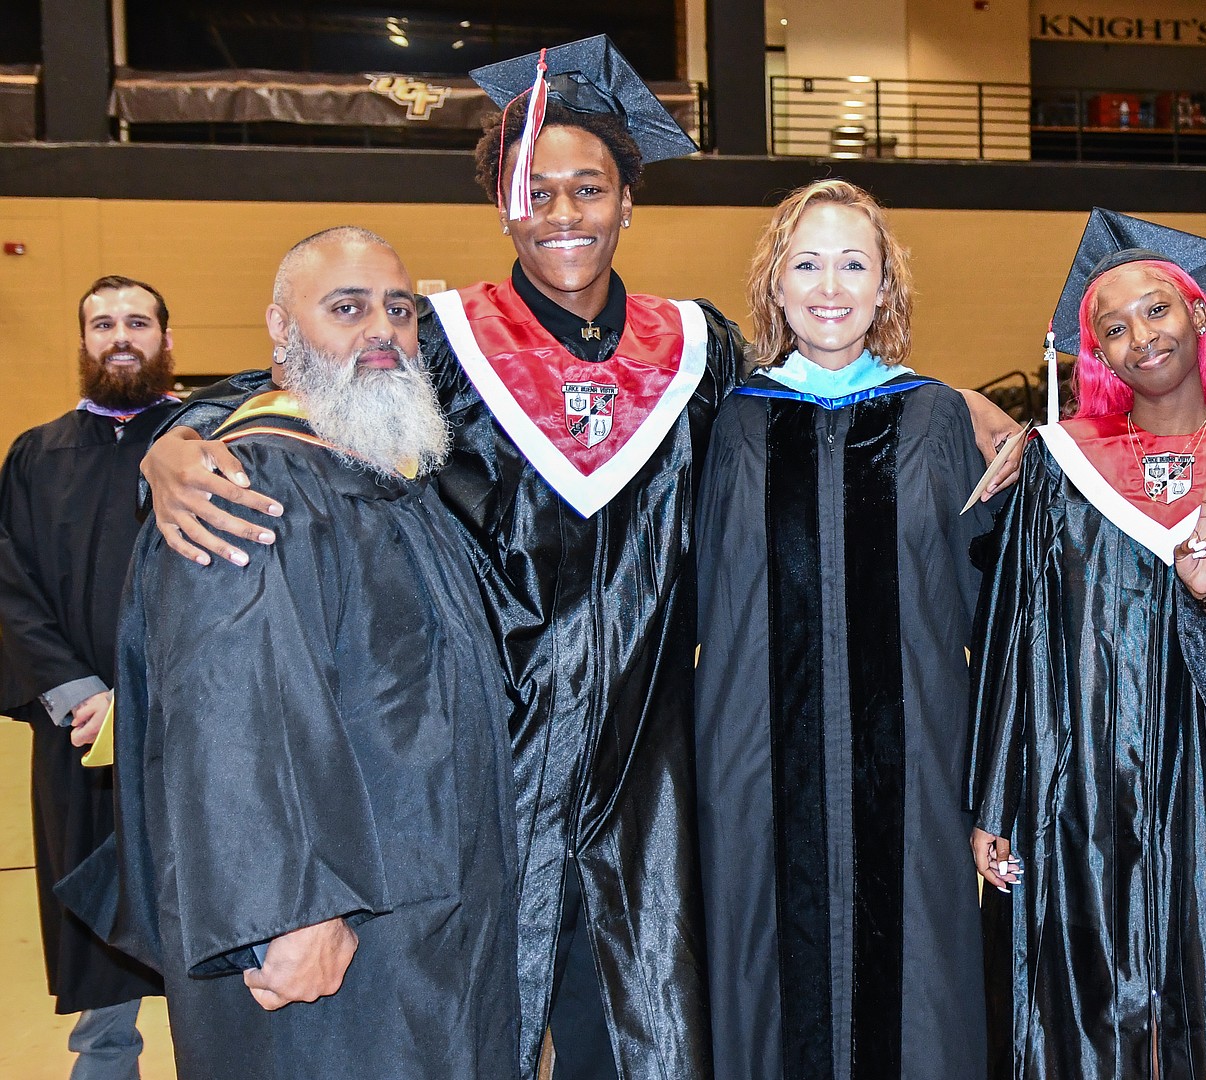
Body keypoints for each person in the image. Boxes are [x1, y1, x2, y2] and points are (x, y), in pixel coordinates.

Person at [133, 37, 1020, 1080]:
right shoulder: (444, 341)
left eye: (588, 189)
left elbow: (830, 396)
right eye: (536, 190)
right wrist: (173, 440)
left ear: (626, 202)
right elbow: (310, 383)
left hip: (650, 767)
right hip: (484, 760)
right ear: (504, 207)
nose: (563, 213)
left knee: (651, 1036)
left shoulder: (695, 353)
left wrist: (961, 404)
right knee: (469, 1026)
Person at [90, 226, 518, 1080]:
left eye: (399, 309)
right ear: (280, 332)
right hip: (327, 926)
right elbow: (228, 707)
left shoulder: (393, 478)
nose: (382, 331)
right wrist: (284, 913)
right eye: (347, 307)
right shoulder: (243, 483)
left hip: (418, 904)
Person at [969, 211, 1206, 1080]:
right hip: (1067, 786)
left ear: (1200, 318)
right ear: (1094, 353)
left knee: (1194, 986)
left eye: (1157, 312)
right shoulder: (1059, 468)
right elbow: (1012, 635)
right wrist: (994, 794)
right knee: (1071, 1001)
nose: (1141, 337)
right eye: (1114, 327)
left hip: (1201, 790)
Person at [694, 178, 995, 1080]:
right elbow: (693, 589)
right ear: (776, 285)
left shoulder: (937, 418)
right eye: (809, 263)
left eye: (854, 264)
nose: (831, 286)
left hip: (914, 772)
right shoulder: (734, 423)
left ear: (884, 289)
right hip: (755, 770)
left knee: (917, 993)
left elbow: (987, 601)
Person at [0, 276, 173, 1080]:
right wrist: (80, 694)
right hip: (81, 728)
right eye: (102, 323)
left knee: (210, 892)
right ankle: (106, 1064)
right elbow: (10, 588)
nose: (120, 336)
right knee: (92, 895)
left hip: (193, 724)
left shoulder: (207, 441)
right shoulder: (37, 455)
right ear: (83, 342)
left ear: (165, 338)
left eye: (137, 321)